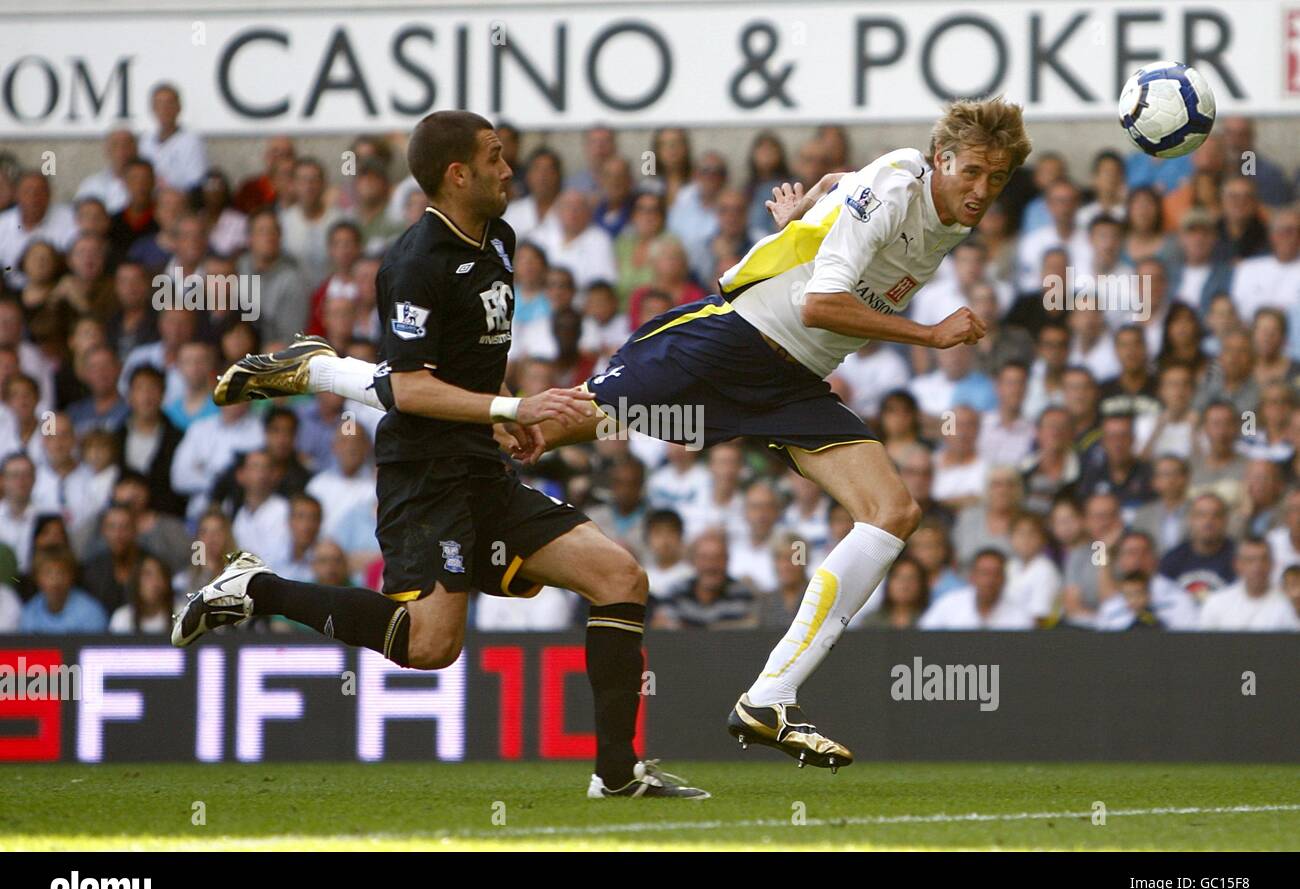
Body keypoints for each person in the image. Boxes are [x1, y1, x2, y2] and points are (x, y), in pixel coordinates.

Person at [219, 98, 1031, 771]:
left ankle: (769, 699)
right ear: (938, 158)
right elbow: (822, 298)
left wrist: (804, 214)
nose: (983, 188)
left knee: (892, 511)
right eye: (971, 171)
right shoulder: (900, 183)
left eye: (997, 177)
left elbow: (843, 203)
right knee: (540, 423)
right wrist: (929, 334)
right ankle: (323, 369)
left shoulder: (933, 206)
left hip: (789, 382)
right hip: (725, 344)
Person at [184, 111, 706, 800]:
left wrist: (506, 409)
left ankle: (616, 775)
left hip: (483, 467)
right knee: (430, 646)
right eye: (495, 156)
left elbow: (475, 357)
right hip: (424, 476)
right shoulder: (411, 265)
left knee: (619, 576)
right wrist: (509, 409)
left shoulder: (500, 237)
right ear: (457, 173)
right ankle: (256, 589)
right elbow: (409, 387)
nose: (508, 167)